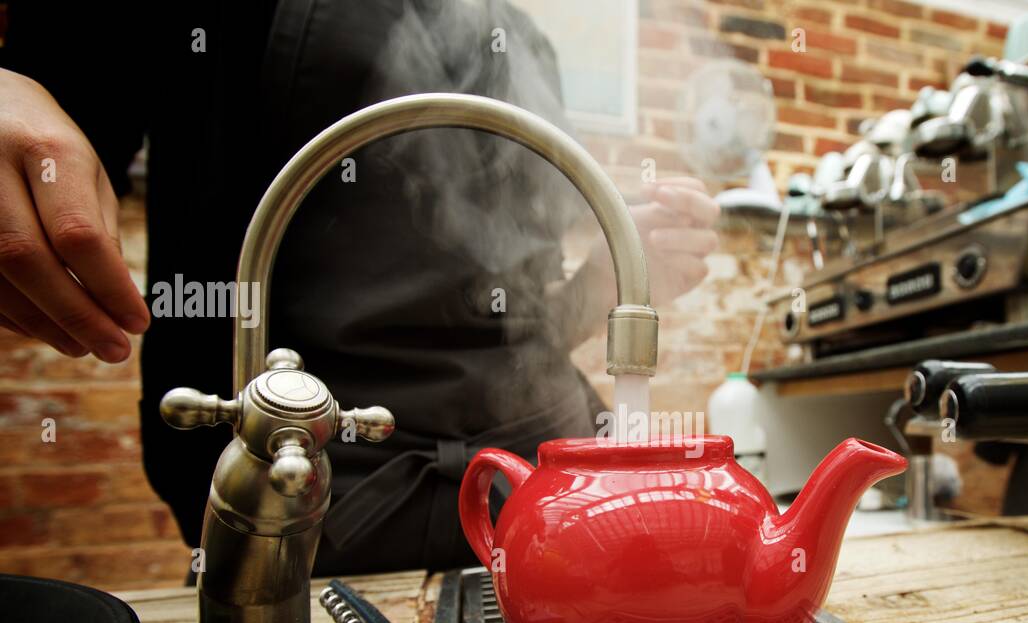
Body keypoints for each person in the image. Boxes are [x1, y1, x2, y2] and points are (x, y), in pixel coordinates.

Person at [0, 0, 719, 573]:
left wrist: (600, 283)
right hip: (315, 501)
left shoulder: (524, 46)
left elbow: (518, 330)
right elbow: (53, 111)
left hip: (536, 495)